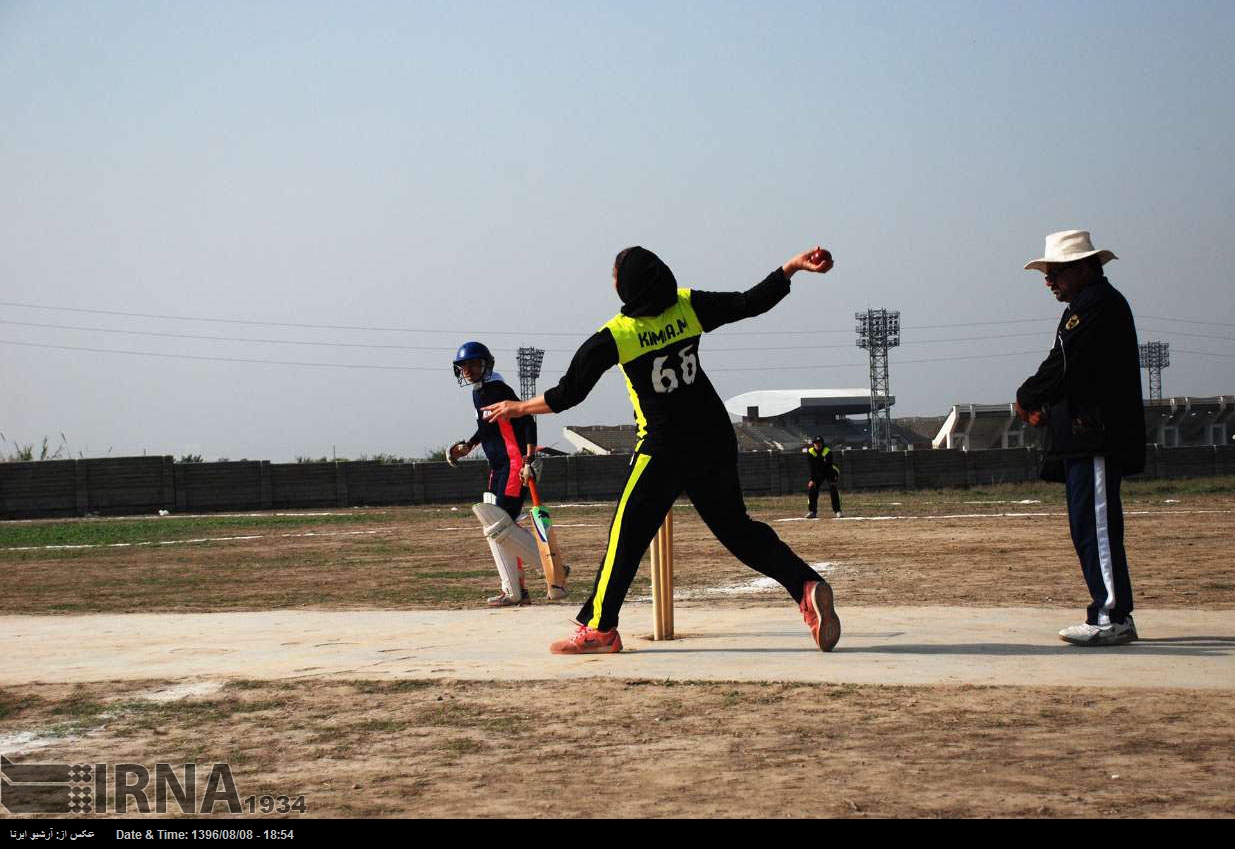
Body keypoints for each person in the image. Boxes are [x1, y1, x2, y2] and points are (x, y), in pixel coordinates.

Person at [483, 245, 841, 654]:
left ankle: (599, 628)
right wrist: (791, 268)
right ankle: (805, 585)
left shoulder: (616, 334)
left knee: (626, 534)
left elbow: (567, 394)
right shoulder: (687, 305)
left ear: (627, 287)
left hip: (665, 447)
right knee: (739, 532)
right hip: (714, 437)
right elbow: (749, 303)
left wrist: (517, 407)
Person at [1015, 230, 1145, 646]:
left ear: (1085, 267)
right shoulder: (1087, 305)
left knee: (1096, 526)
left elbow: (1065, 363)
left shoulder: (1096, 305)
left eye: (1056, 272)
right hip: (1082, 436)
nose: (1048, 280)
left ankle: (1111, 615)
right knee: (1088, 526)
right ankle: (1108, 610)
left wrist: (1028, 395)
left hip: (1095, 437)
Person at [447, 341, 553, 607]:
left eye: (473, 364)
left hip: (513, 465)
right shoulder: (479, 391)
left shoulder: (497, 388)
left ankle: (554, 568)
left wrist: (529, 457)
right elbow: (488, 427)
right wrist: (469, 445)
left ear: (486, 364)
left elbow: (526, 418)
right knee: (497, 527)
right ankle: (516, 591)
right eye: (464, 366)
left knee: (499, 526)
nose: (468, 370)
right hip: (497, 467)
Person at [805, 435, 843, 519]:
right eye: (816, 443)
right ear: (813, 444)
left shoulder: (827, 451)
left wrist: (832, 479)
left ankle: (838, 511)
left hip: (829, 472)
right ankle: (812, 511)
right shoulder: (810, 452)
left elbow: (829, 467)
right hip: (817, 473)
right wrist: (812, 480)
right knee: (812, 489)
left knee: (833, 488)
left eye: (819, 443)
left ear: (822, 444)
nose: (818, 445)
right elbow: (811, 467)